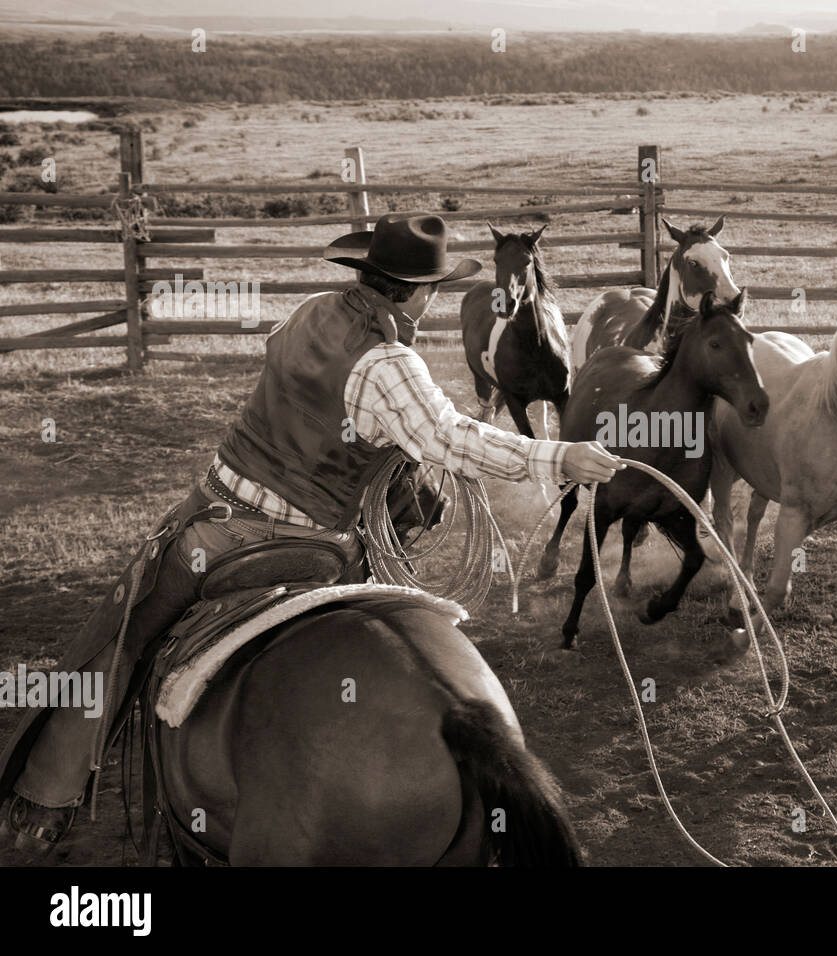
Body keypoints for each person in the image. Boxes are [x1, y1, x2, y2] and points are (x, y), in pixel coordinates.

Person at [0, 212, 621, 856]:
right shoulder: (390, 363)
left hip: (215, 525)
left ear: (365, 274)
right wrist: (559, 457)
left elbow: (310, 373)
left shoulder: (313, 311)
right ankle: (50, 791)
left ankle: (47, 794)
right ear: (416, 290)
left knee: (124, 631)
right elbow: (445, 437)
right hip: (318, 546)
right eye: (433, 286)